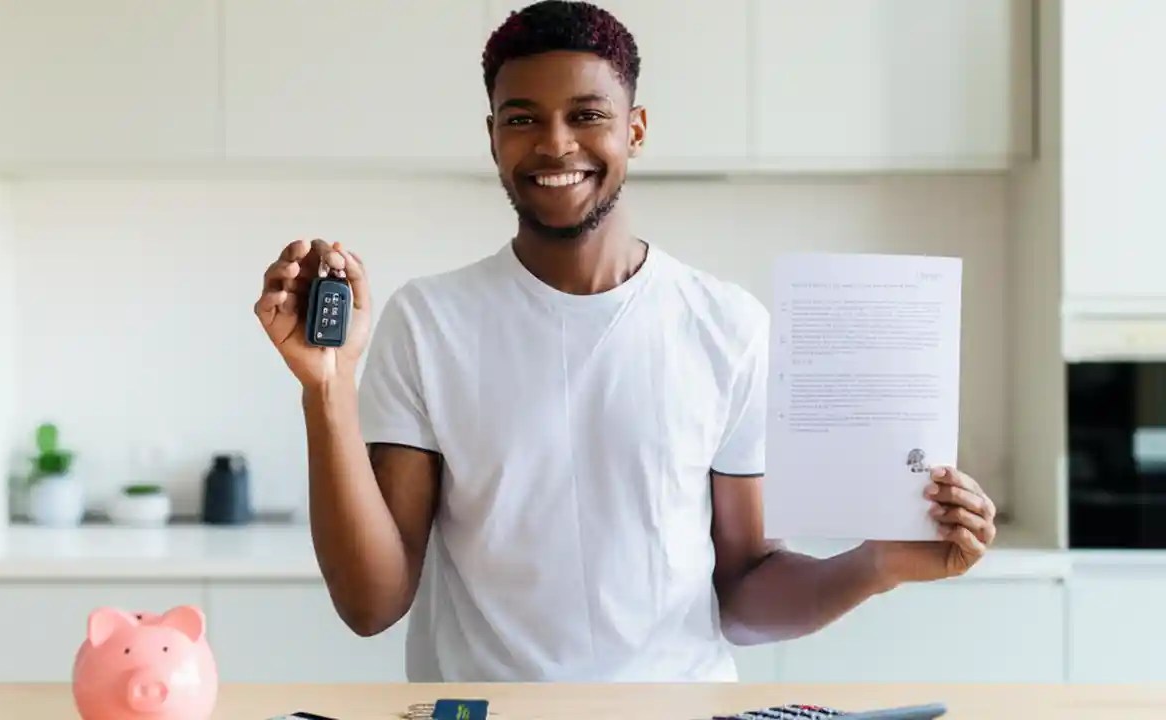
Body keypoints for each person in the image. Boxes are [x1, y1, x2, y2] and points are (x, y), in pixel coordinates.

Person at [254, 0, 998, 683]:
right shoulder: (429, 321)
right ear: (491, 138)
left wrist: (879, 563)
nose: (554, 144)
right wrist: (326, 387)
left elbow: (741, 594)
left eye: (586, 115)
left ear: (634, 129)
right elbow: (371, 605)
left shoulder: (728, 326)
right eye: (521, 119)